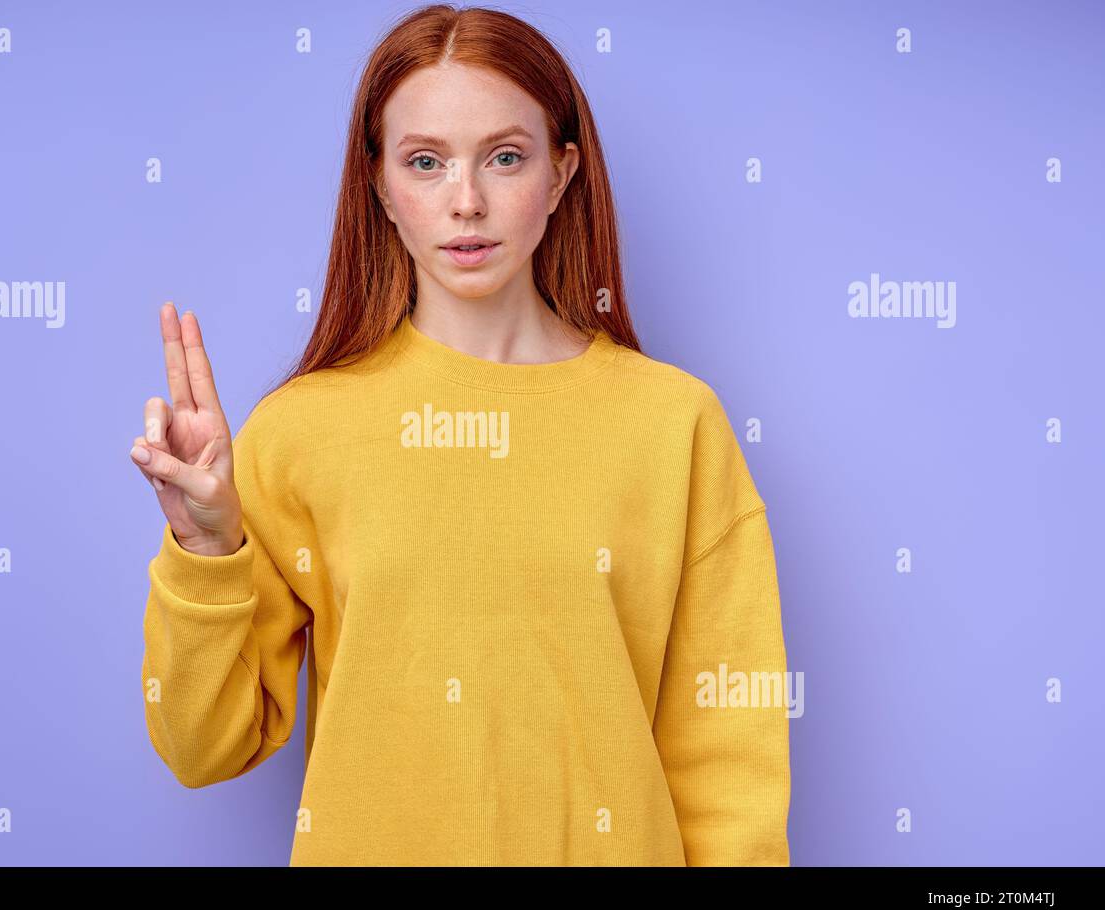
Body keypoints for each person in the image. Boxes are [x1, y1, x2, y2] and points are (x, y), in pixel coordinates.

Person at [130, 3, 791, 866]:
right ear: (379, 185)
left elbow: (730, 767)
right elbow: (203, 747)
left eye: (505, 158)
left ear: (561, 175)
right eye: (427, 162)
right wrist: (204, 549)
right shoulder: (301, 430)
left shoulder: (675, 425)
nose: (467, 201)